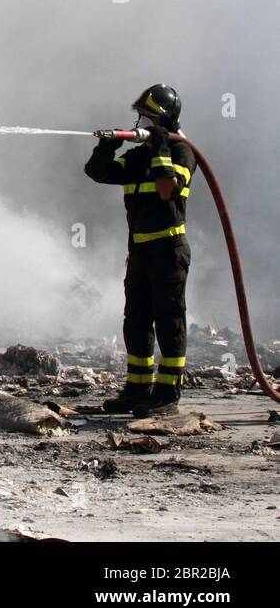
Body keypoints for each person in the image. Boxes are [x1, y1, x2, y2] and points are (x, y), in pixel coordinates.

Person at [84, 84, 195, 417]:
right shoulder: (137, 158)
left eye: (147, 118)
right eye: (140, 117)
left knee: (168, 321)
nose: (141, 123)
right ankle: (137, 390)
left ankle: (166, 394)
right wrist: (107, 148)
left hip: (168, 250)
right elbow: (98, 174)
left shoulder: (181, 152)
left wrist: (160, 147)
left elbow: (166, 191)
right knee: (136, 322)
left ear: (164, 121)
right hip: (140, 252)